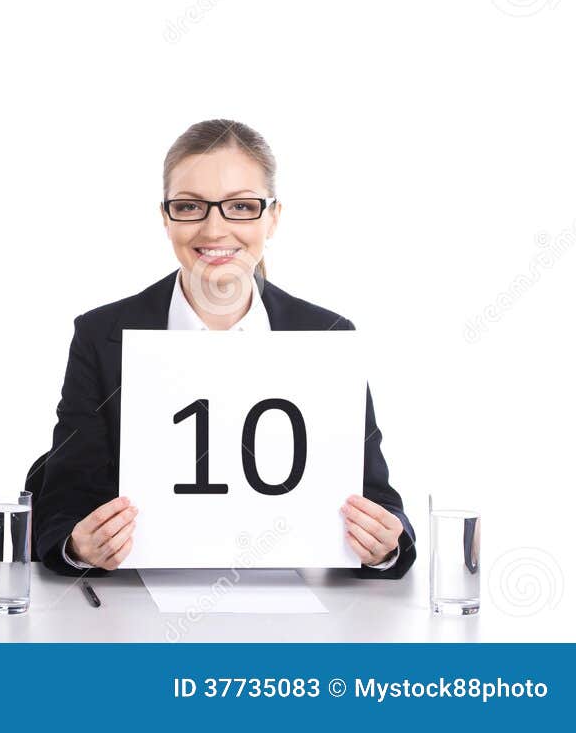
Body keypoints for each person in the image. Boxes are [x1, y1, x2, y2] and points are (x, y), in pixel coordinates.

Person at [26, 118, 415, 577]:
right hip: (135, 606)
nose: (214, 229)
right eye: (190, 207)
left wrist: (385, 547)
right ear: (165, 216)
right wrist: (78, 546)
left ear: (273, 217)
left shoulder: (328, 338)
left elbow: (379, 502)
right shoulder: (101, 336)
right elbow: (60, 508)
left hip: (289, 602)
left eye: (241, 206)